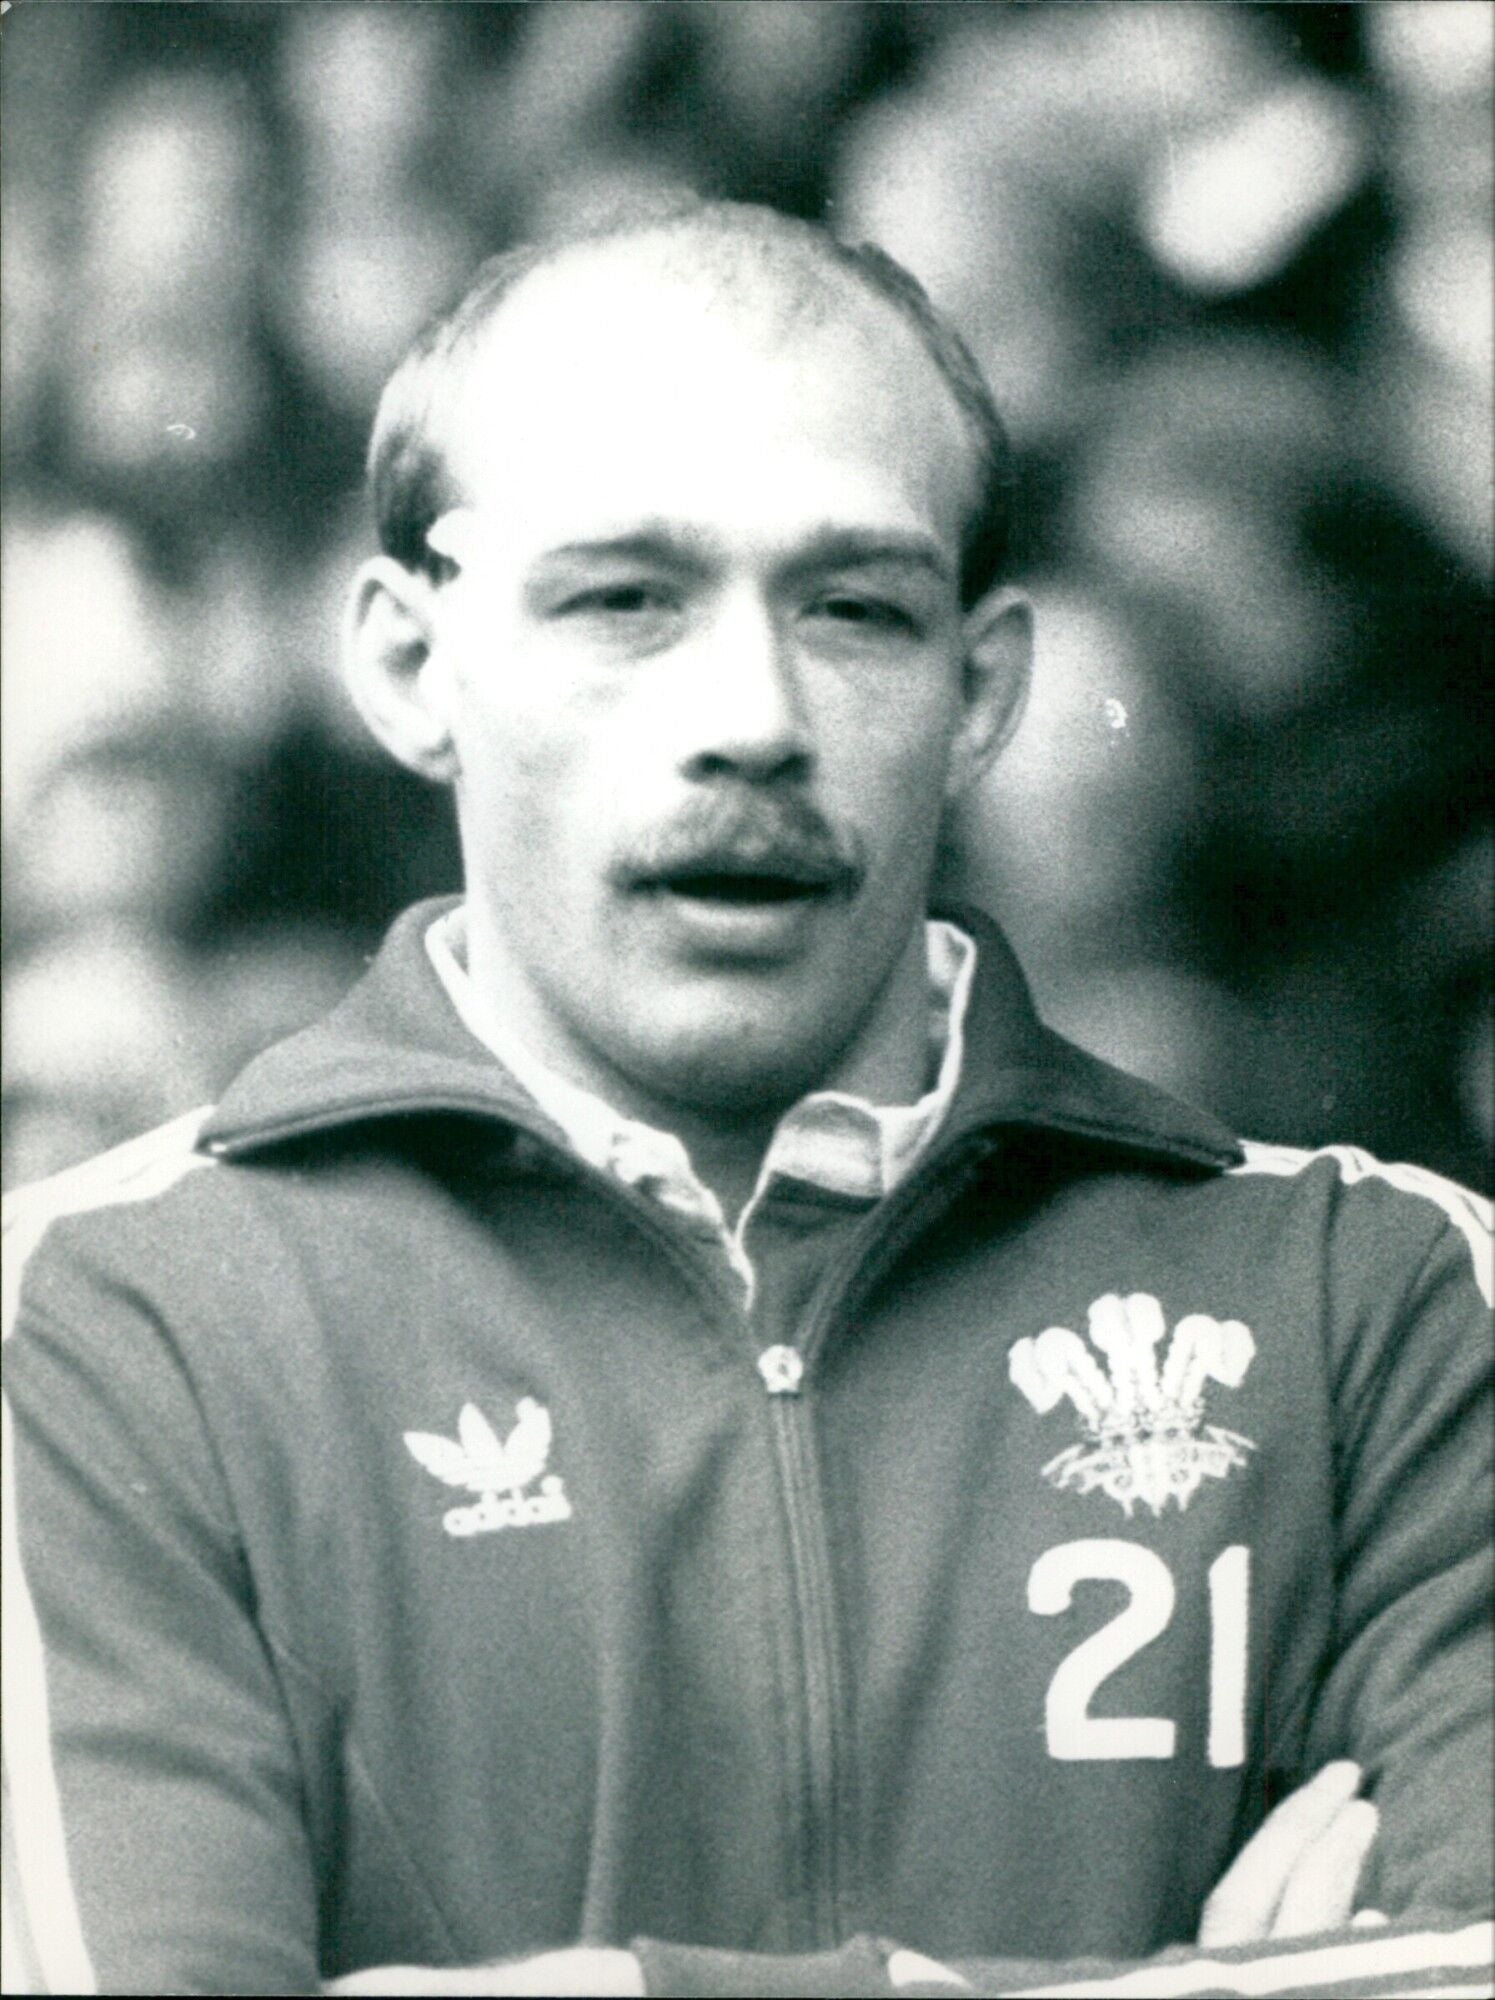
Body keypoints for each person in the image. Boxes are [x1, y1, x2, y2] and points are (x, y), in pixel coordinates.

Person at [3, 202, 1490, 2000]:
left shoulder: (1384, 1304)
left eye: (857, 608)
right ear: (409, 666)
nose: (753, 715)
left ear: (982, 691)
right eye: (624, 599)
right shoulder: (101, 1328)